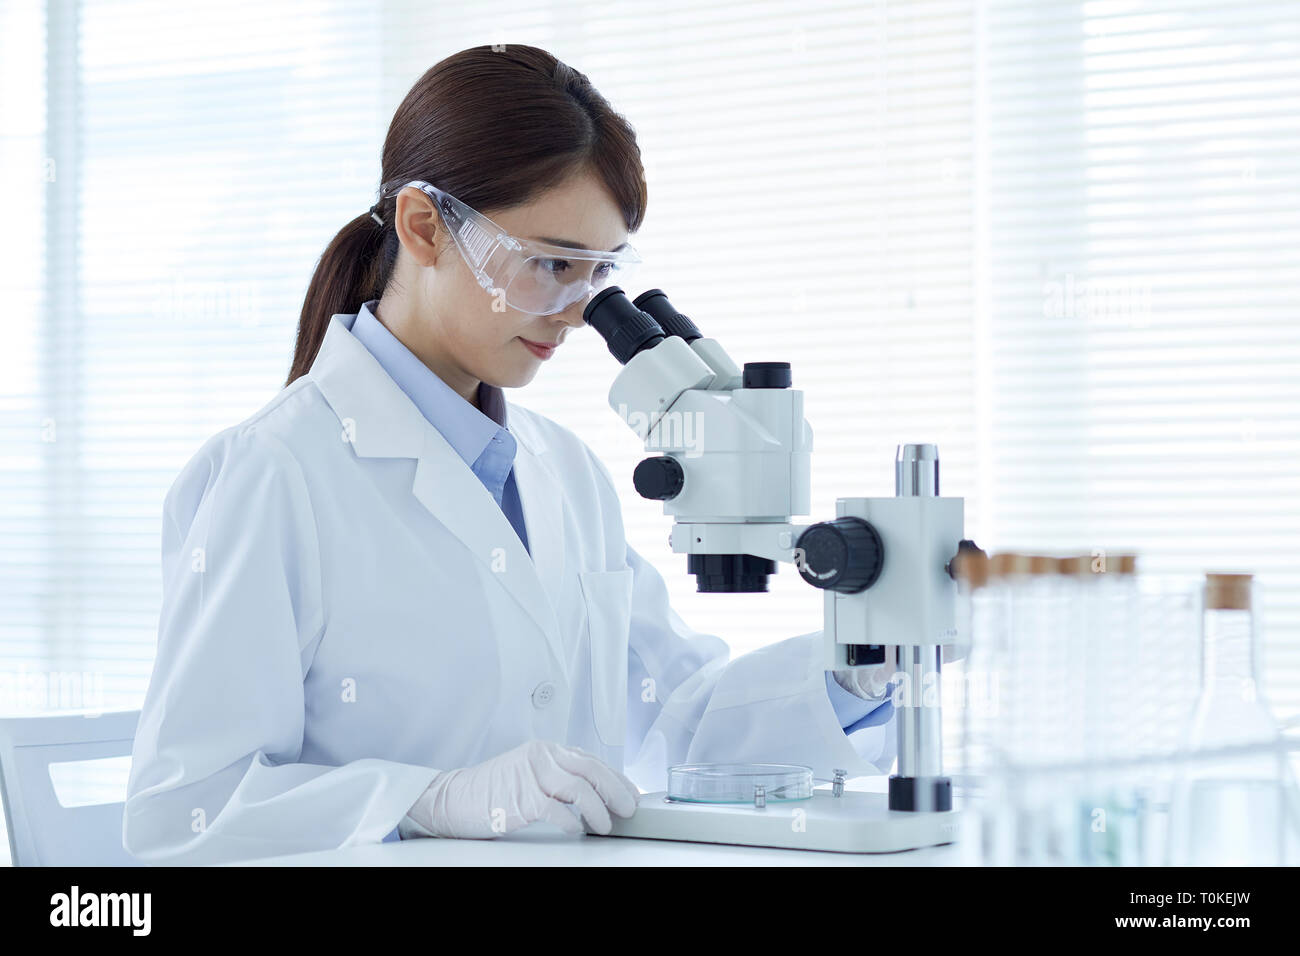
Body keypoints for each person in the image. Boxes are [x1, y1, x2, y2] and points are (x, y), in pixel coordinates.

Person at [123, 44, 895, 865]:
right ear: (424, 226)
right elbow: (186, 813)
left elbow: (681, 723)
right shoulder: (273, 471)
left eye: (596, 274)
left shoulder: (561, 471)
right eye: (549, 264)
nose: (571, 313)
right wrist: (423, 800)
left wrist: (857, 671)